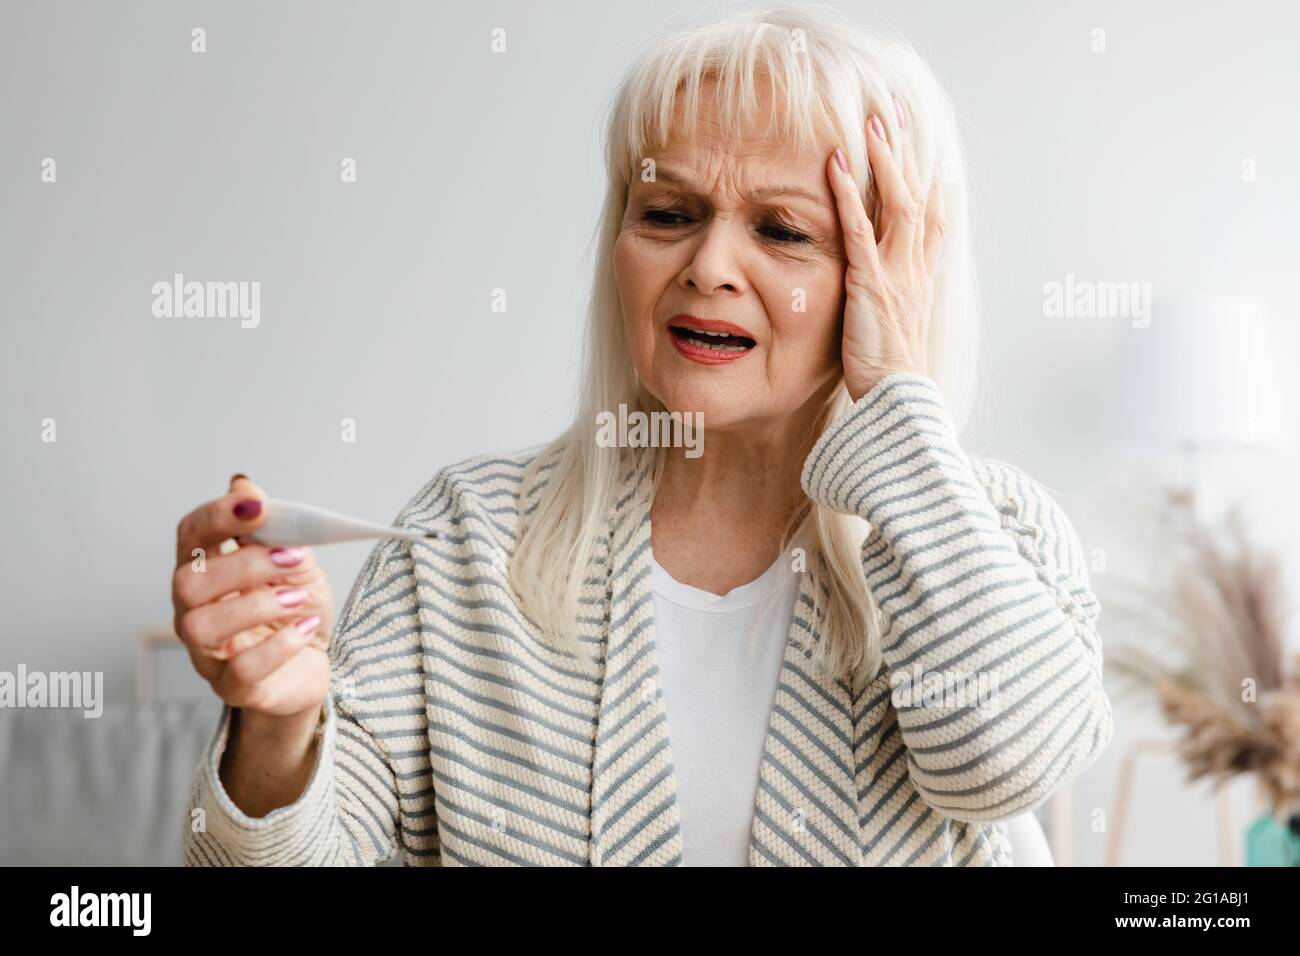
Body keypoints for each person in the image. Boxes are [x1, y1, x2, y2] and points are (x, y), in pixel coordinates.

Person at [173, 2, 1112, 867]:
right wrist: (281, 726)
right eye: (668, 214)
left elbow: (1006, 763)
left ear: (891, 273)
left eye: (784, 231)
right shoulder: (463, 540)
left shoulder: (999, 532)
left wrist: (898, 397)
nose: (708, 266)